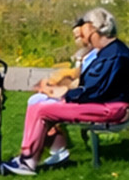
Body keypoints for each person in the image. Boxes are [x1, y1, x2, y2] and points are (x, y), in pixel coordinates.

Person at [0, 7, 129, 175]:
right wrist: (62, 94)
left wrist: (65, 96)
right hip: (104, 104)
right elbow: (95, 88)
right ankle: (32, 158)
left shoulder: (115, 55)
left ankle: (28, 161)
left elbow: (96, 91)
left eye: (84, 25)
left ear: (93, 28)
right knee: (40, 104)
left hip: (110, 108)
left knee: (41, 108)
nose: (81, 30)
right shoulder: (109, 52)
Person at [25, 20, 95, 167]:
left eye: (80, 36)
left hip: (85, 101)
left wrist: (56, 90)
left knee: (40, 104)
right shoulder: (85, 55)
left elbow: (82, 84)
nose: (78, 40)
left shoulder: (95, 56)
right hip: (78, 96)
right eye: (75, 37)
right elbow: (75, 78)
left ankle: (49, 151)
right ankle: (56, 149)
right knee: (36, 99)